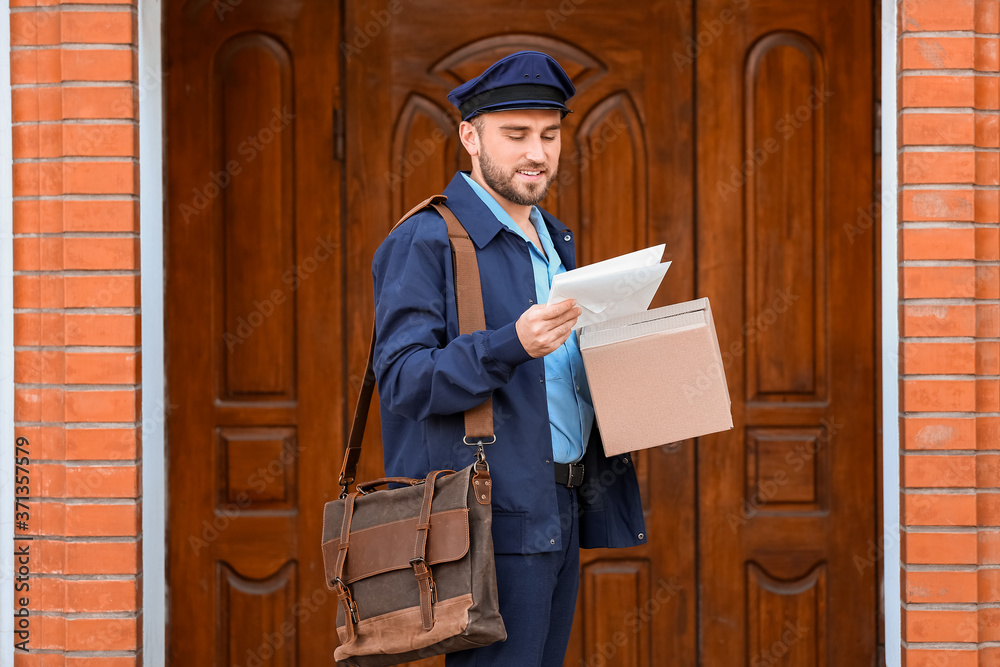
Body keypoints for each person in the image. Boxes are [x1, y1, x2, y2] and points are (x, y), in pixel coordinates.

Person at [371, 50, 646, 667]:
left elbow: (562, 381)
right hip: (489, 524)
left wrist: (647, 384)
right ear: (469, 137)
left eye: (549, 135)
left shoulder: (553, 238)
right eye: (516, 134)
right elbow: (404, 380)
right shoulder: (425, 239)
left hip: (563, 506)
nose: (537, 153)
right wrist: (508, 344)